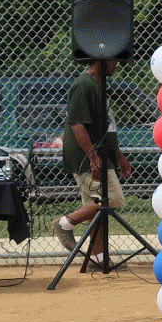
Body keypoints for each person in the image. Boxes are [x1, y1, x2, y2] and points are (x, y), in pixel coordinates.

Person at [54, 57, 133, 267]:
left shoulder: (98, 85)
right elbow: (77, 124)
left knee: (96, 206)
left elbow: (104, 128)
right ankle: (65, 223)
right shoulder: (84, 85)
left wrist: (119, 156)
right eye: (113, 60)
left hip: (99, 152)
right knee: (111, 198)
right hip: (86, 154)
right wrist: (93, 157)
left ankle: (98, 259)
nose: (117, 64)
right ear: (100, 60)